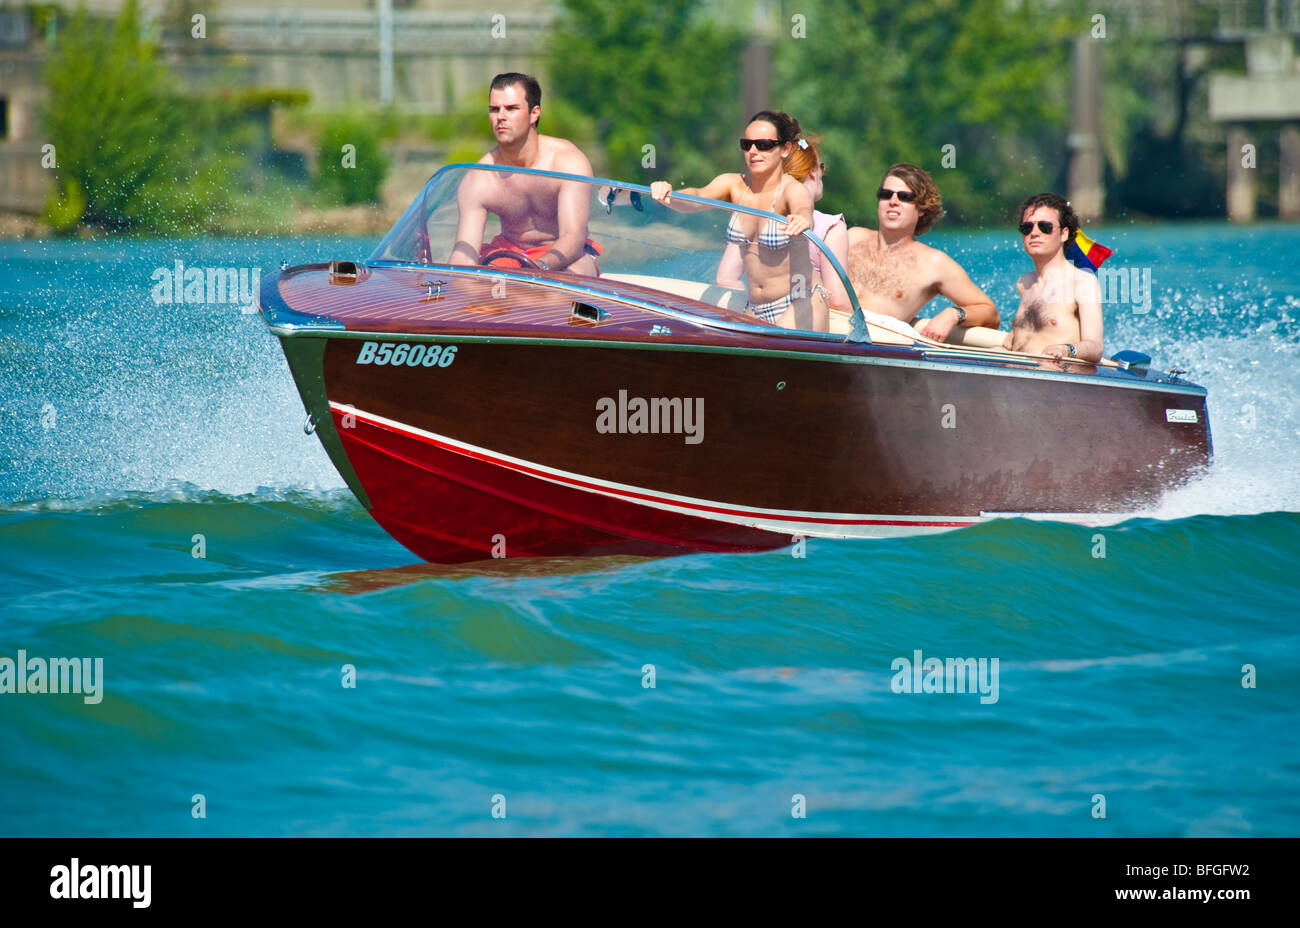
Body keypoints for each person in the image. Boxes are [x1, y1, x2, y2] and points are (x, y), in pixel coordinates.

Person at [649, 111, 814, 327]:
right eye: (747, 144)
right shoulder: (733, 185)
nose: (753, 151)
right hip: (755, 306)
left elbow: (803, 209)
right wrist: (669, 195)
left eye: (763, 144)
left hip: (799, 300)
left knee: (769, 357)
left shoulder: (791, 189)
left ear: (785, 149)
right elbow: (697, 197)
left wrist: (801, 219)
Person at [449, 72, 600, 275]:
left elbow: (573, 237)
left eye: (511, 108)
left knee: (569, 284)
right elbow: (463, 256)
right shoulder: (479, 178)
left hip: (565, 253)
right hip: (509, 254)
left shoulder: (567, 162)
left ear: (534, 113)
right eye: (494, 109)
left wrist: (538, 269)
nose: (501, 116)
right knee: (477, 291)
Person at [846, 163, 999, 340]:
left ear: (921, 209)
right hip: (825, 335)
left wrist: (952, 314)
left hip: (868, 350)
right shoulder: (852, 237)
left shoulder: (933, 263)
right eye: (886, 194)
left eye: (904, 197)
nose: (893, 201)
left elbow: (990, 313)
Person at [715, 134, 850, 332]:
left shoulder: (753, 215)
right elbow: (838, 301)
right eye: (821, 167)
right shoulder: (829, 226)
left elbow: (725, 278)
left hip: (758, 315)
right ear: (813, 172)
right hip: (803, 323)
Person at [1003, 193, 1104, 362]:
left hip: (1057, 380)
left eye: (1045, 227)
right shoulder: (1024, 283)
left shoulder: (1083, 282)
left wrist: (1065, 349)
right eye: (1027, 228)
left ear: (1064, 234)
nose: (1034, 233)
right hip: (1019, 377)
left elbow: (1095, 347)